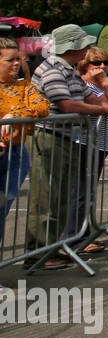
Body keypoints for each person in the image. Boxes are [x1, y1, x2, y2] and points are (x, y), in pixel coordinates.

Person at [28, 26, 108, 266]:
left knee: (61, 196)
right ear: (72, 47)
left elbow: (90, 98)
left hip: (64, 137)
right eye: (83, 45)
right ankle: (39, 252)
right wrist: (104, 110)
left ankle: (52, 246)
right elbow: (67, 105)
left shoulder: (68, 70)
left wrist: (106, 106)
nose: (87, 50)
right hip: (49, 137)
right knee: (47, 197)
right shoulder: (51, 69)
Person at [0, 37, 50, 243]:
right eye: (10, 60)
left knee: (2, 210)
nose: (17, 64)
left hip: (16, 155)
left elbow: (42, 107)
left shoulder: (24, 87)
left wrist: (15, 114)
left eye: (18, 59)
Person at [75, 48, 108, 254]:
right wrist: (105, 86)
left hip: (102, 144)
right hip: (85, 144)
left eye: (105, 63)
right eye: (96, 63)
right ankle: (78, 238)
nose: (101, 67)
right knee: (80, 192)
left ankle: (84, 233)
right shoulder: (82, 85)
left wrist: (105, 84)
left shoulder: (100, 85)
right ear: (84, 64)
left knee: (90, 192)